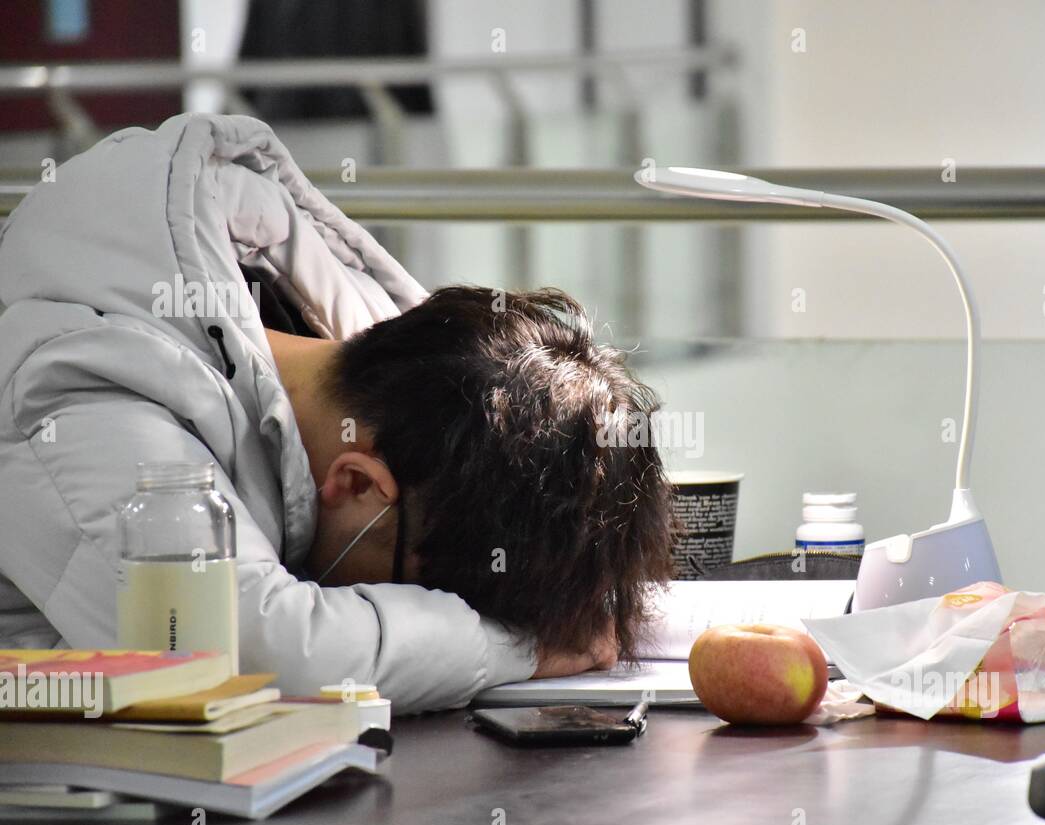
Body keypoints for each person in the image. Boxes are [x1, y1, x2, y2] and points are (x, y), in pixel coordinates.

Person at [0, 114, 676, 713]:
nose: (421, 610)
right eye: (432, 597)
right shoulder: (76, 389)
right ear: (357, 484)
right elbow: (233, 654)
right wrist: (520, 650)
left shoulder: (376, 343)